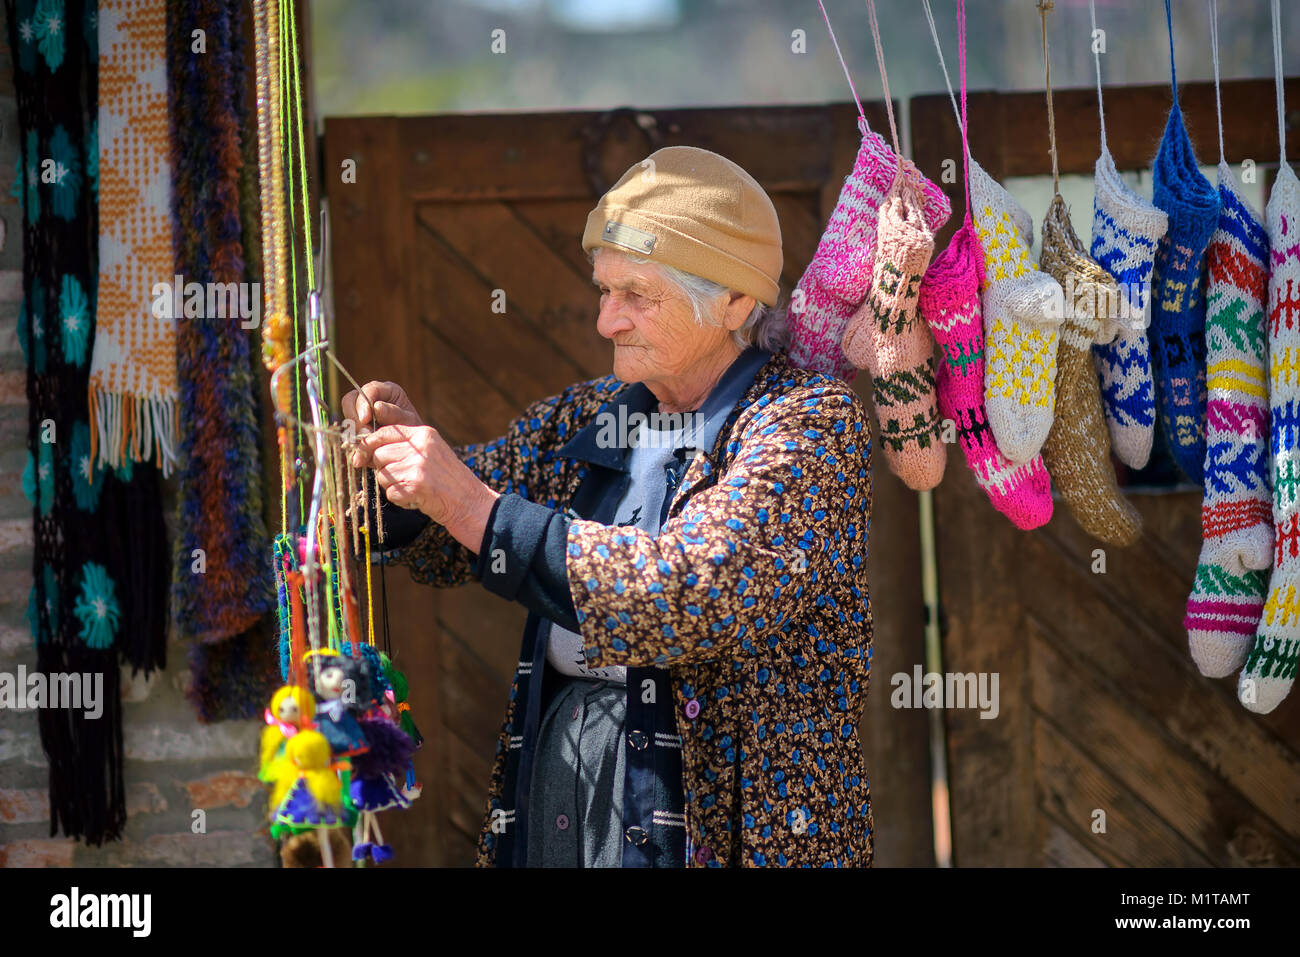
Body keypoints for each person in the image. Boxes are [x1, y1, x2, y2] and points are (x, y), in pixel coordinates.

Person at [344, 145, 875, 867]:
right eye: (604, 290)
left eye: (637, 295)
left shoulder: (808, 424)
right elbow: (463, 510)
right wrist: (400, 465)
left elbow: (690, 590)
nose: (606, 321)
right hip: (564, 799)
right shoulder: (597, 416)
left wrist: (467, 502)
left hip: (729, 832)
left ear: (735, 303)